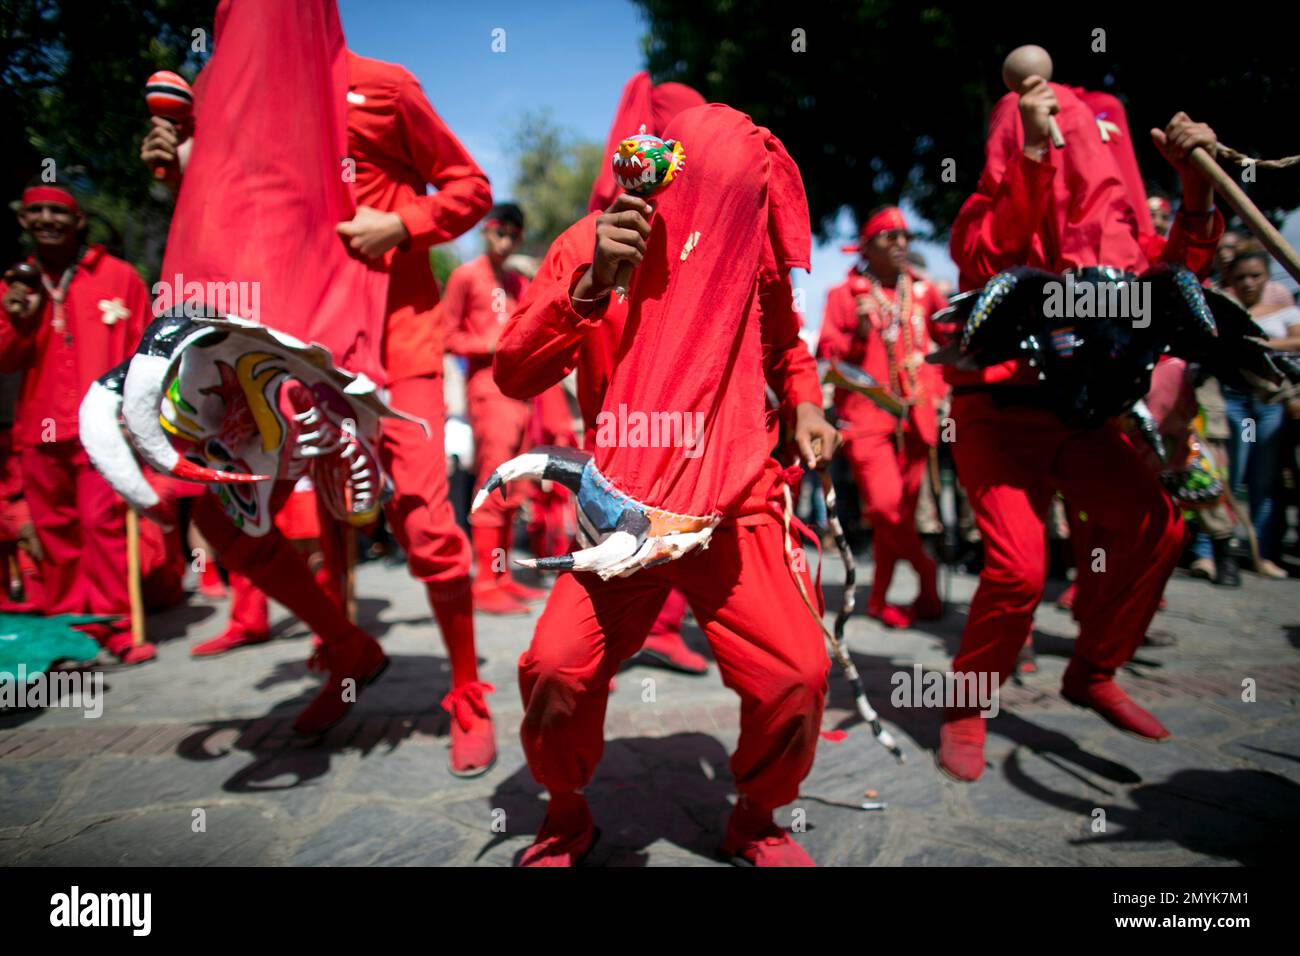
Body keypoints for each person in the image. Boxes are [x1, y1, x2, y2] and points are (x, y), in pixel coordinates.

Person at [141, 21, 498, 773]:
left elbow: (471, 188)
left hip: (397, 348)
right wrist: (179, 163)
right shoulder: (222, 92)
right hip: (287, 349)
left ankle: (466, 690)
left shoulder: (386, 85)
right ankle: (346, 648)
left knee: (428, 524)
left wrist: (403, 221)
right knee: (216, 507)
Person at [493, 104, 840, 866]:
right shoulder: (591, 241)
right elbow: (514, 370)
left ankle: (757, 816)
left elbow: (787, 345)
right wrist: (588, 285)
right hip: (625, 501)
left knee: (796, 672)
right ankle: (565, 813)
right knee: (555, 670)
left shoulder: (749, 250)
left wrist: (808, 405)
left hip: (739, 493)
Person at [938, 67, 1226, 781]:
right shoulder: (984, 204)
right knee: (1018, 569)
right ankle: (965, 705)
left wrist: (1197, 188)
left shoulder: (1121, 222)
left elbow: (1175, 280)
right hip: (996, 414)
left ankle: (1093, 670)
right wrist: (1032, 158)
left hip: (1082, 418)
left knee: (1159, 525)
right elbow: (990, 254)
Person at [0, 184, 156, 664]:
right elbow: (6, 361)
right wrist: (16, 320)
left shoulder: (119, 277)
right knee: (55, 535)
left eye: (58, 211)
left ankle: (118, 628)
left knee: (102, 524)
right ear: (24, 222)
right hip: (39, 431)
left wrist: (137, 416)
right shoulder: (12, 286)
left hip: (101, 428)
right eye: (36, 212)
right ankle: (69, 628)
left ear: (78, 222)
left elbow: (144, 351)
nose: (47, 219)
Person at [817, 205, 946, 628]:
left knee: (901, 519)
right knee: (887, 509)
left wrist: (942, 392)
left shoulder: (925, 291)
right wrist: (857, 332)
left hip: (917, 419)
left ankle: (878, 601)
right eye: (890, 238)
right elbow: (828, 356)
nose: (901, 244)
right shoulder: (846, 293)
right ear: (868, 247)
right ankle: (926, 574)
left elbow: (948, 347)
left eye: (905, 237)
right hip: (866, 419)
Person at [443, 203, 544, 614]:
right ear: (486, 232)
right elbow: (446, 335)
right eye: (500, 232)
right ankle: (484, 583)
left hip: (520, 393)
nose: (505, 241)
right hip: (488, 388)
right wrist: (491, 344)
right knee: (493, 483)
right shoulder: (465, 276)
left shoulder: (518, 282)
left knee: (516, 486)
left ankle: (502, 577)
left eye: (513, 236)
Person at [1220, 240, 1300, 578]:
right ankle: (1221, 551)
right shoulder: (1223, 308)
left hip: (1270, 402)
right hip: (1233, 399)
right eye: (1241, 278)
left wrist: (1262, 344)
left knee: (1264, 479)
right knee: (1229, 476)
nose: (1248, 283)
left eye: (1255, 276)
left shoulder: (1286, 309)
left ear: (1267, 277)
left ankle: (1264, 552)